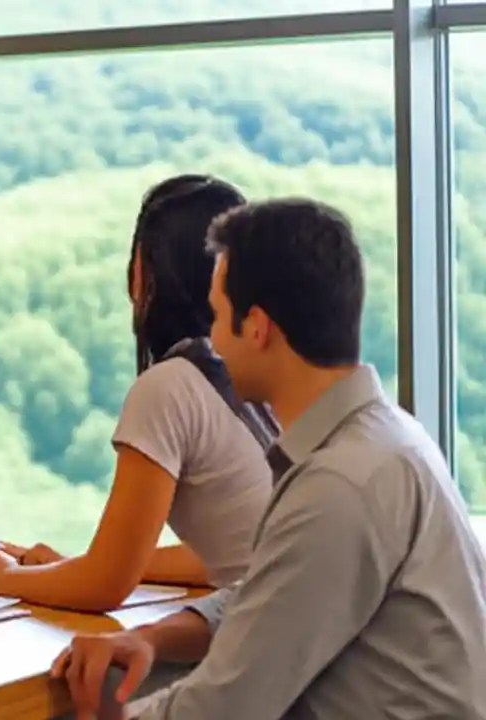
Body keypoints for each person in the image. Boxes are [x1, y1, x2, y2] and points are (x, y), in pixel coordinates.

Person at [54, 199, 486, 719]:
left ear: (256, 327)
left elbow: (224, 709)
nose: (211, 340)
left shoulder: (340, 486)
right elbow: (276, 596)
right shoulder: (384, 440)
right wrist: (157, 636)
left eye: (217, 317)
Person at [0, 175, 276, 612]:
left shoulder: (168, 388)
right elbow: (238, 548)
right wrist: (81, 565)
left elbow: (104, 586)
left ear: (144, 274)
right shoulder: (263, 369)